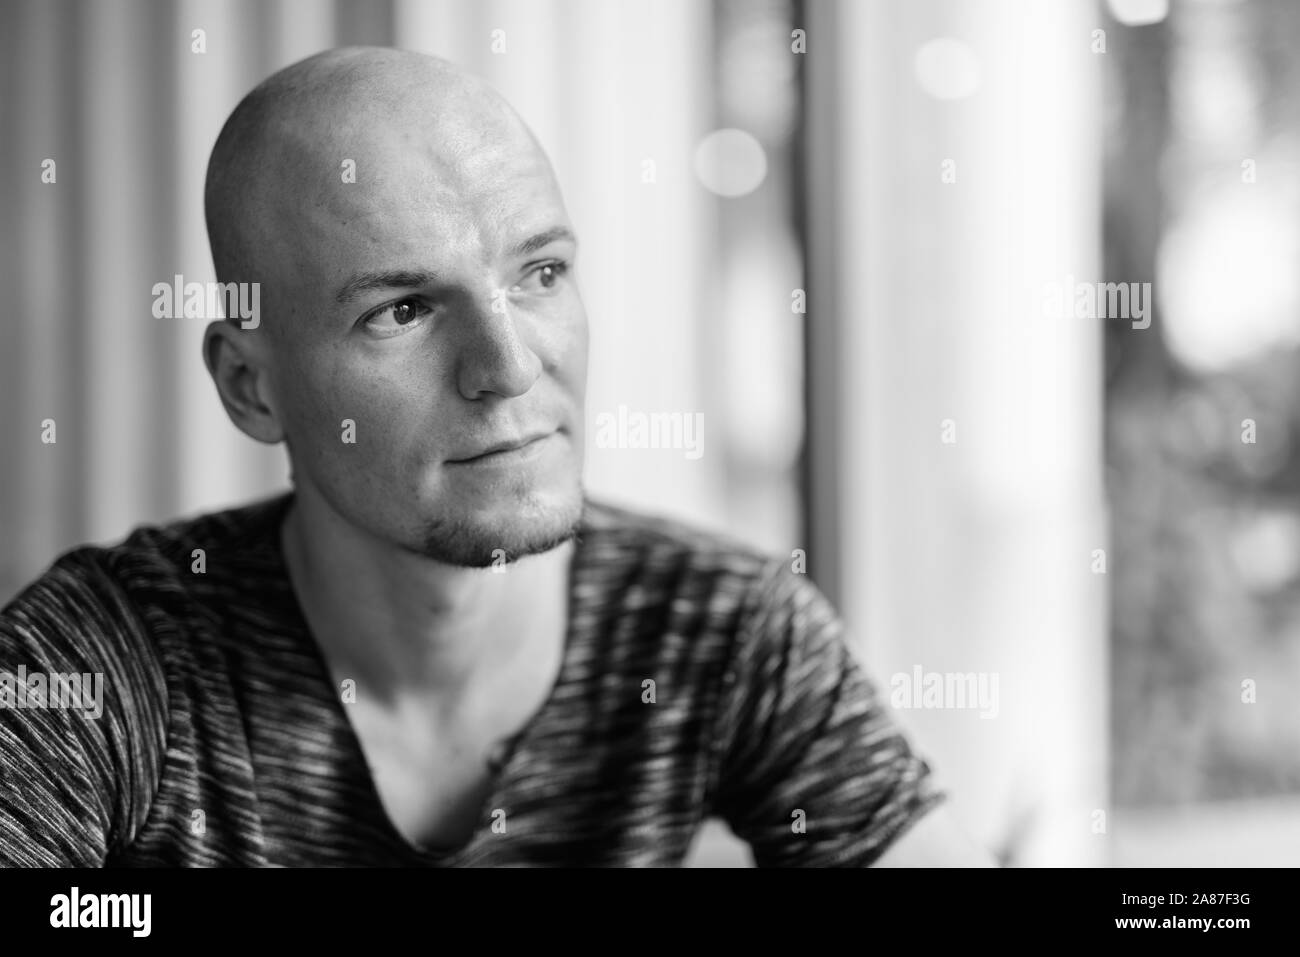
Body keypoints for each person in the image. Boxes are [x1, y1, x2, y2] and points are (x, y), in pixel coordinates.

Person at [0, 46, 993, 867]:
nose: (511, 366)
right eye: (403, 310)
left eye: (541, 273)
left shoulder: (717, 630)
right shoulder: (101, 662)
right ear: (251, 386)